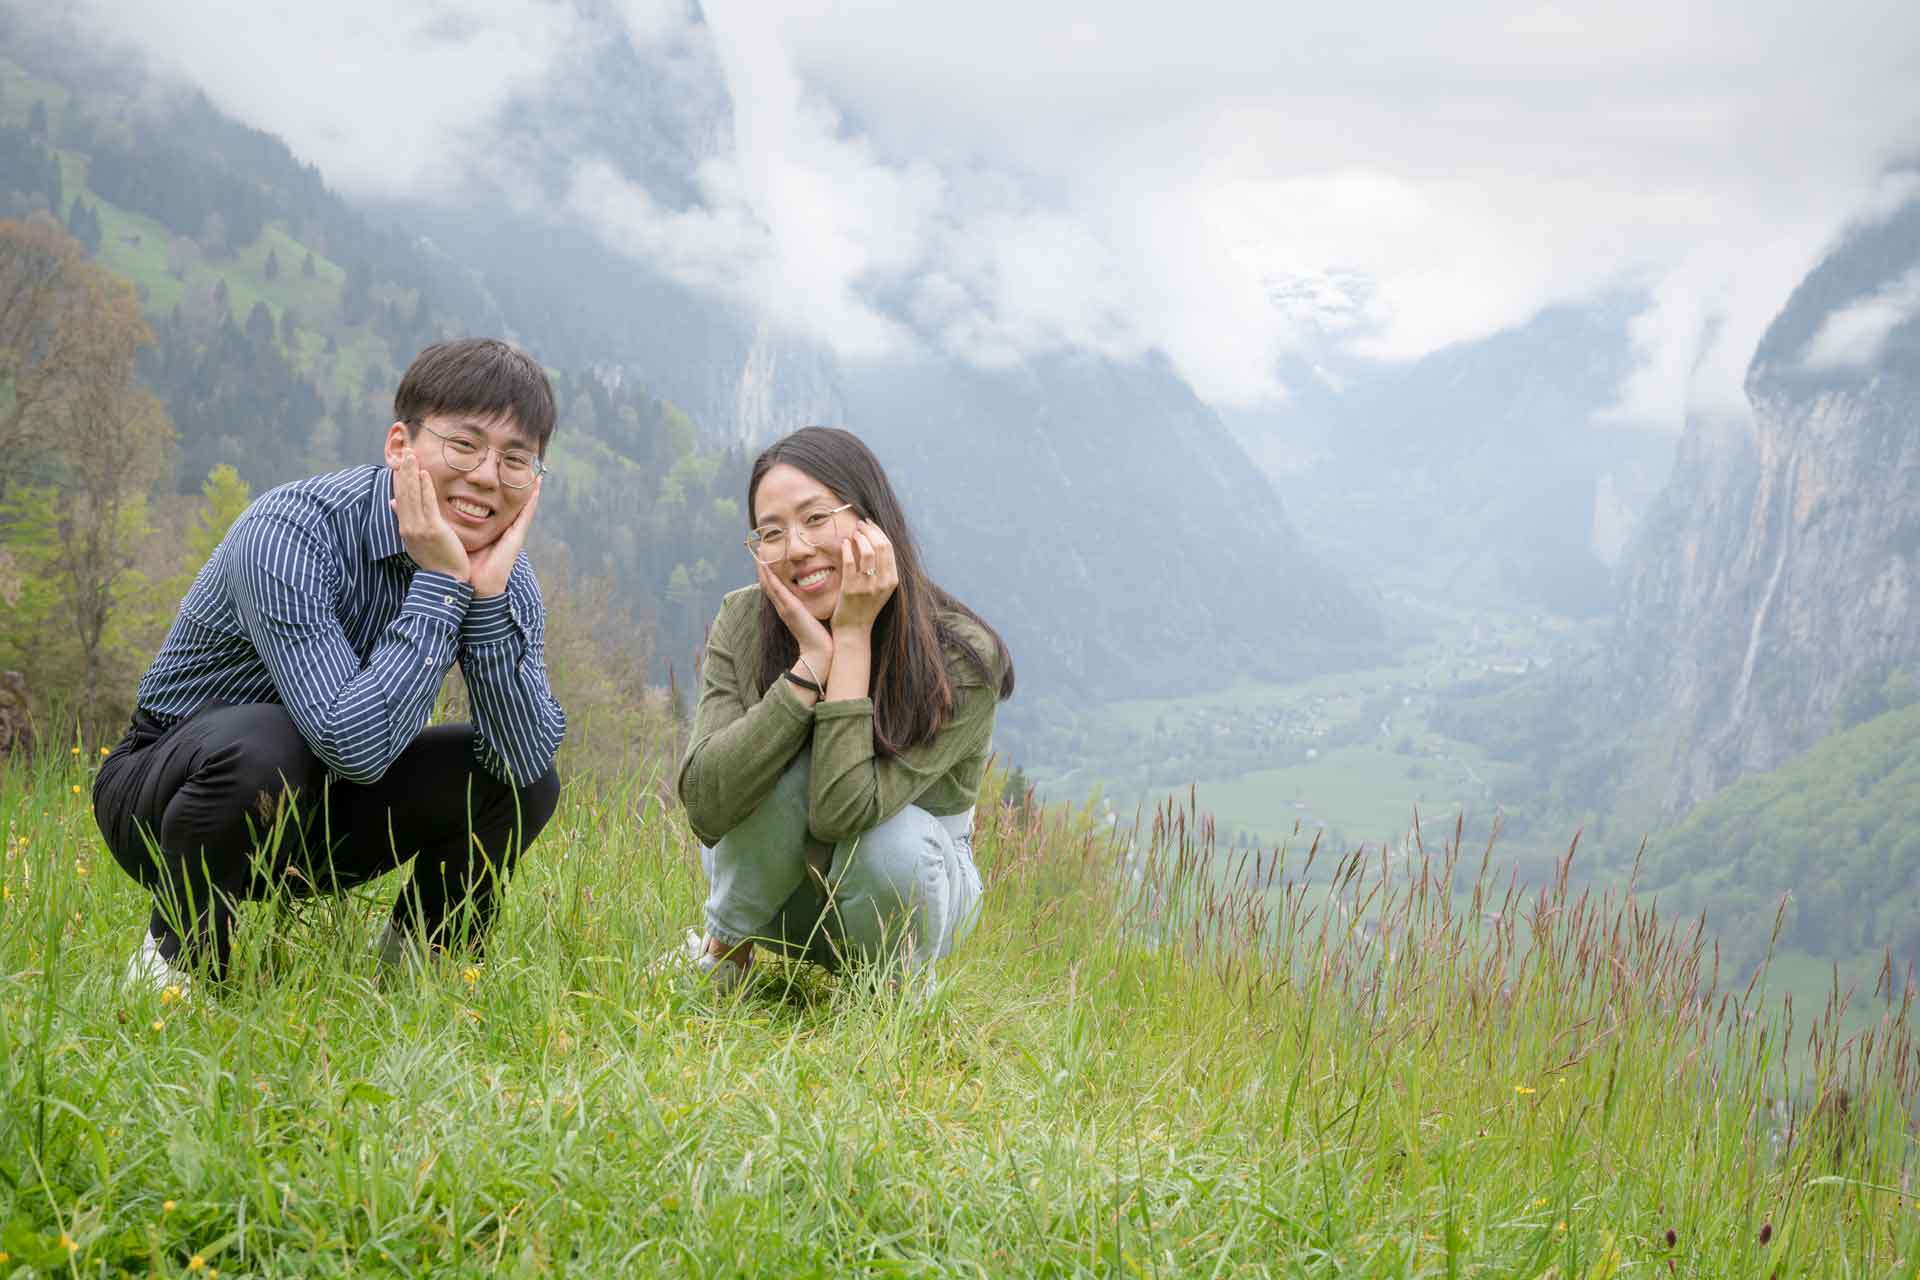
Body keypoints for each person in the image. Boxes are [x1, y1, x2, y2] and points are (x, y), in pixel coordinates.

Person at [94, 338, 566, 990]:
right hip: (172, 797)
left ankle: (416, 976)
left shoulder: (505, 577)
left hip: (327, 808)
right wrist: (444, 586)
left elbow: (522, 763)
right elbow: (354, 746)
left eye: (517, 460)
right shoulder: (293, 529)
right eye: (464, 445)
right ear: (400, 445)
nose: (487, 476)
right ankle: (171, 969)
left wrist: (482, 603)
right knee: (265, 739)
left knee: (524, 779)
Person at [674, 426, 1015, 993]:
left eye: (815, 518)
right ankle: (724, 954)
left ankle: (893, 990)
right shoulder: (742, 619)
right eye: (771, 533)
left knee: (890, 842)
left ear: (871, 520)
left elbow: (840, 813)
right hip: (773, 902)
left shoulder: (962, 657)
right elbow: (706, 805)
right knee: (772, 759)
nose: (797, 549)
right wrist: (808, 669)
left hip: (908, 899)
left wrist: (852, 636)